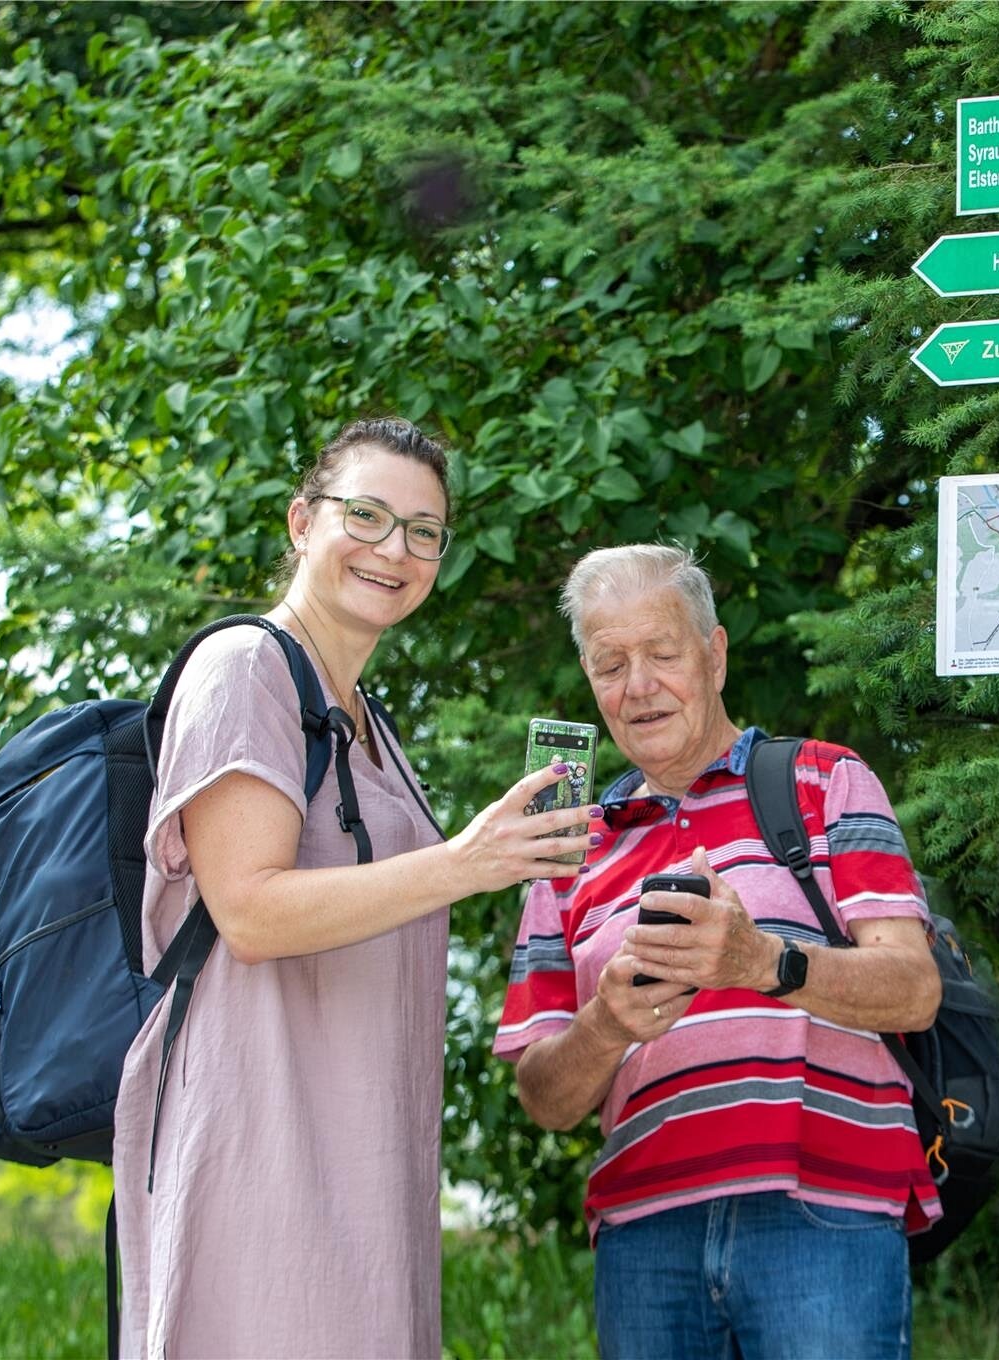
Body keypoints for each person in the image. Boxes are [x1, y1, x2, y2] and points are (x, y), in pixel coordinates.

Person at [110, 417, 602, 1358]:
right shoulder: (246, 667)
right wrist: (469, 861)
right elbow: (247, 910)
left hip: (368, 1157)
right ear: (303, 521)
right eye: (366, 515)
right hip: (266, 1138)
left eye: (425, 532)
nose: (395, 550)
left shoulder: (368, 720)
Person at [495, 544, 943, 1360]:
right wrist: (604, 1025)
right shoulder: (566, 852)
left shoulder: (823, 781)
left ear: (715, 654)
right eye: (610, 664)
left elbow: (914, 990)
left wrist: (762, 962)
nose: (637, 686)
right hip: (644, 1234)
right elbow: (544, 1097)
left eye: (662, 654)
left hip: (824, 1207)